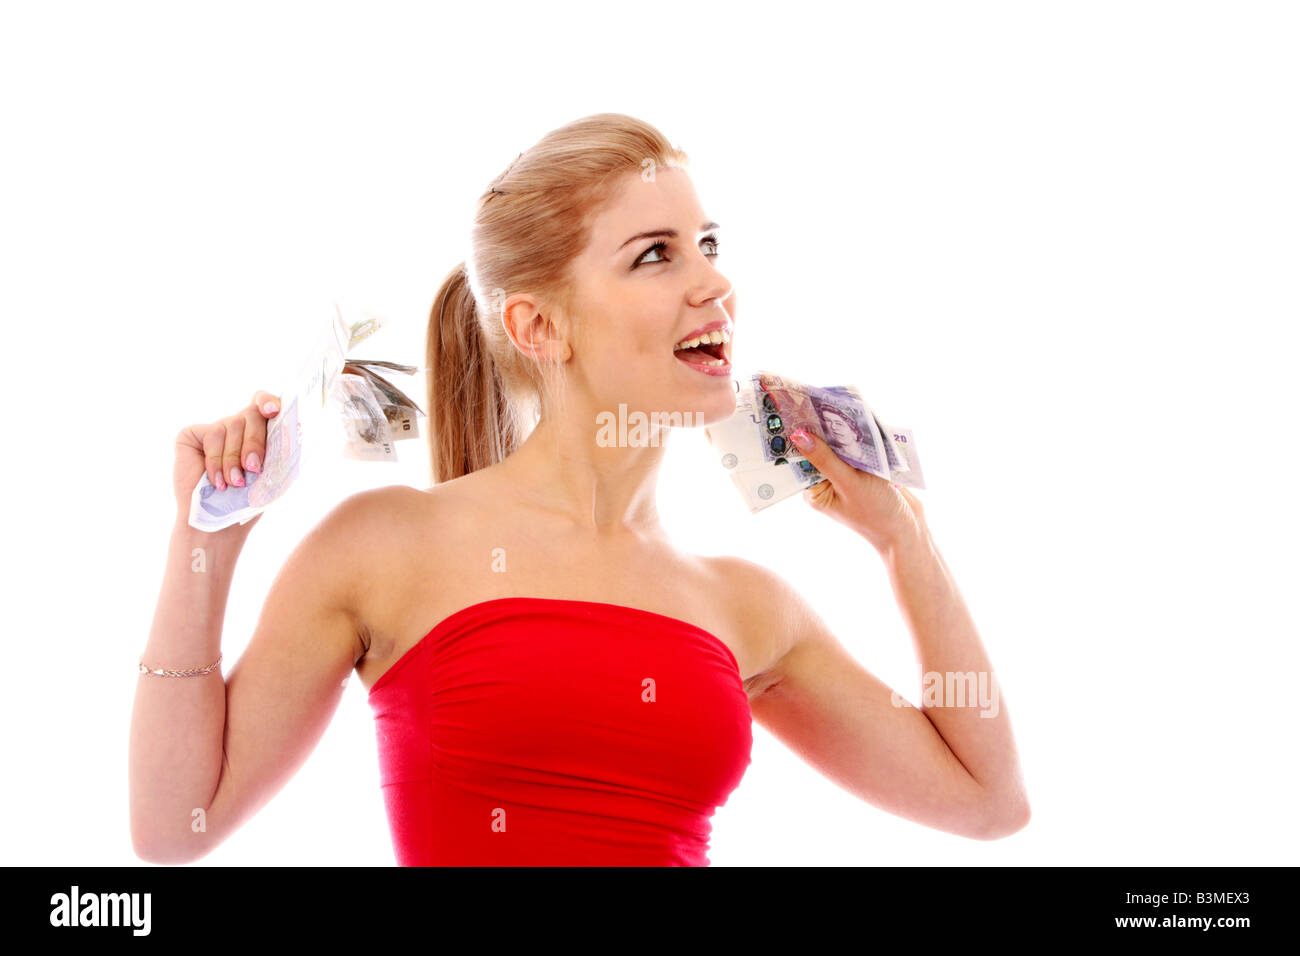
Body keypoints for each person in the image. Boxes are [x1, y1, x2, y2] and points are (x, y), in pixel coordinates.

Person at [131, 113, 1030, 866]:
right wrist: (202, 544)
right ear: (538, 325)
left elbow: (987, 803)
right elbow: (175, 828)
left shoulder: (745, 604)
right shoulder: (384, 546)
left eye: (708, 246)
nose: (714, 282)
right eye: (655, 255)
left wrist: (905, 541)